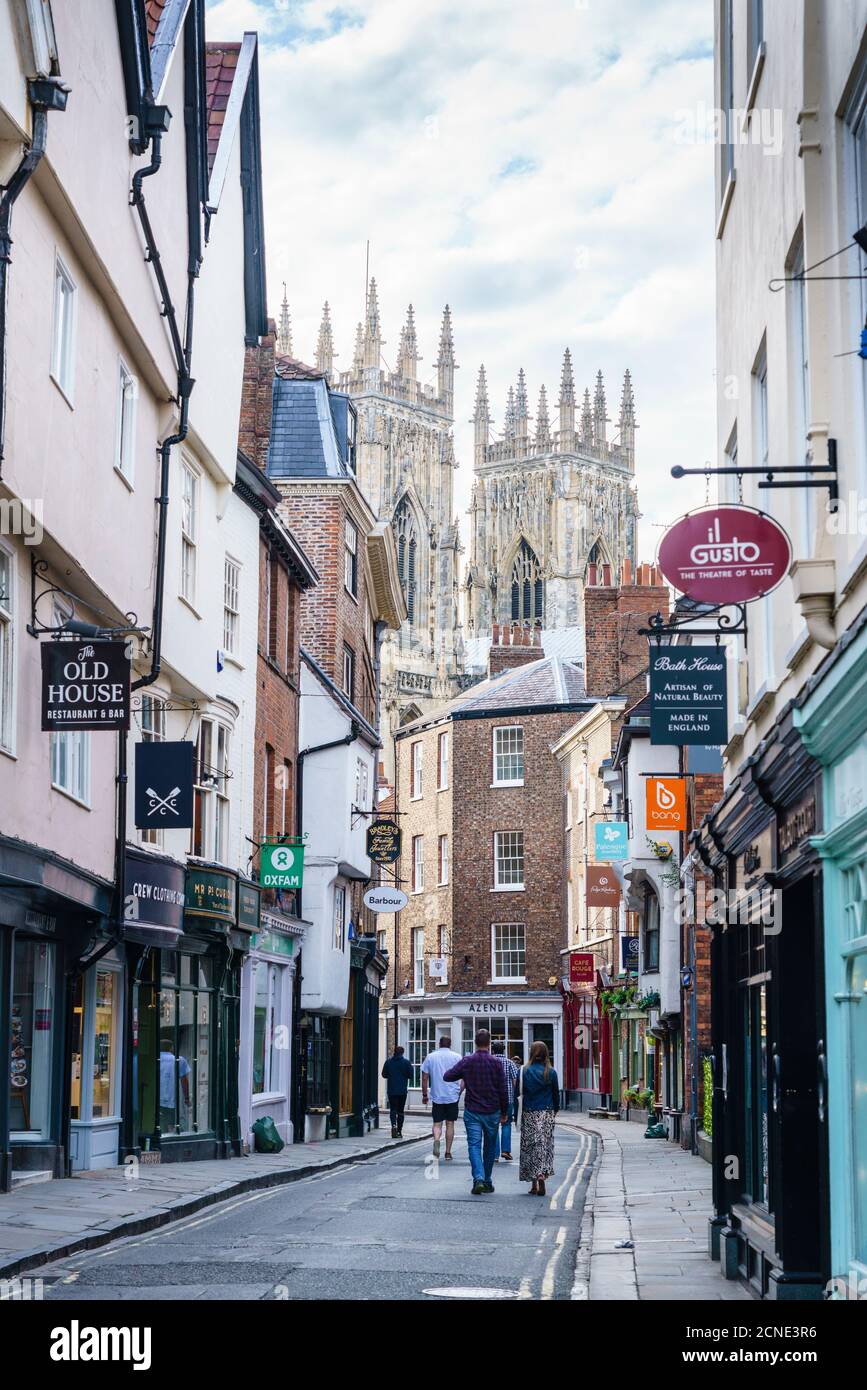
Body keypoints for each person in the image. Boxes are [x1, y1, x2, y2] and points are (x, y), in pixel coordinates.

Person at [443, 1028, 509, 1195]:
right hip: (493, 1111)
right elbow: (503, 1089)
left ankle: (478, 1178)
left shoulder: (467, 1061)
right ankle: (487, 1181)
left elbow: (447, 1076)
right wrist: (505, 1111)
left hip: (472, 1110)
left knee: (473, 1145)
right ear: (489, 1044)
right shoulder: (496, 1063)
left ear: (475, 1042)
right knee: (489, 1146)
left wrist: (463, 1073)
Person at [517, 1041, 560, 1196]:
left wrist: (516, 1114)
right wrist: (555, 1110)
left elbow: (518, 1092)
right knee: (544, 1145)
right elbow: (556, 1094)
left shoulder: (523, 1071)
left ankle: (534, 1183)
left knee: (530, 1146)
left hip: (529, 1112)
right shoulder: (551, 1072)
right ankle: (541, 1173)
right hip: (547, 1112)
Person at [421, 1035, 462, 1160]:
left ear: (439, 1044)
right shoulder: (457, 1057)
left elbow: (424, 1078)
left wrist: (424, 1095)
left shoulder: (430, 1057)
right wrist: (459, 1091)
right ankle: (448, 1152)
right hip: (452, 1096)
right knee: (450, 1124)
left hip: (437, 1095)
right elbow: (464, 1077)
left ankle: (437, 1141)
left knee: (437, 1123)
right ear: (450, 1044)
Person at [491, 1041, 519, 1160]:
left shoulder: (490, 1062)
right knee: (506, 1124)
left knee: (494, 1126)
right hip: (508, 1099)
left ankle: (495, 1154)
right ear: (504, 1050)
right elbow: (515, 1082)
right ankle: (506, 1151)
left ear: (492, 1050)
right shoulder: (510, 1063)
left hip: (492, 1099)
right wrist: (516, 1096)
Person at [159, 1035, 191, 1133]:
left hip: (157, 1100)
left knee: (160, 1123)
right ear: (171, 1048)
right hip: (171, 1100)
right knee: (171, 1124)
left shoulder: (155, 1058)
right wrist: (186, 1098)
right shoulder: (179, 1060)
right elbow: (184, 1081)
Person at [381, 1045, 413, 1137]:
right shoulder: (406, 1063)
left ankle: (393, 1125)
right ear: (402, 1052)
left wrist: (391, 1076)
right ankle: (399, 1131)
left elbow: (384, 1074)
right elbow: (410, 1075)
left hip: (392, 1090)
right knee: (400, 1111)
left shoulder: (388, 1062)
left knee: (393, 1109)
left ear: (394, 1052)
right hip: (402, 1091)